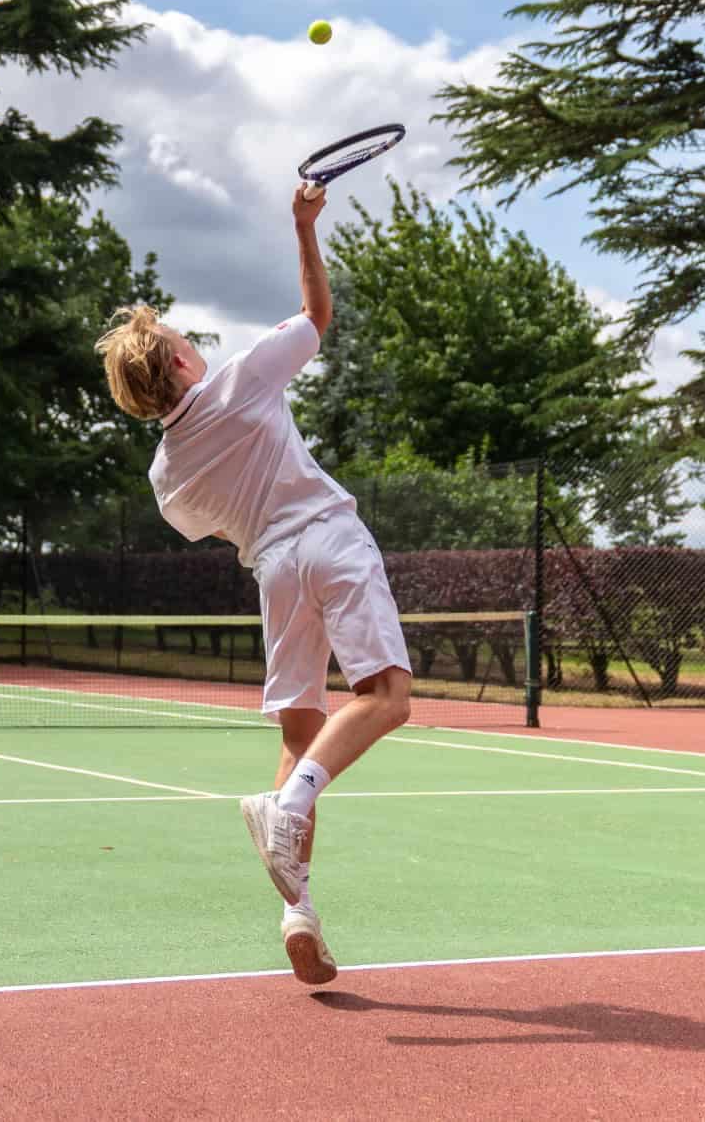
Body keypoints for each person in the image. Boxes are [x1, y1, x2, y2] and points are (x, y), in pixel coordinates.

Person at [93, 180, 414, 986]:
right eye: (179, 336)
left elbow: (206, 521)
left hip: (271, 571)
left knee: (299, 736)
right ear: (178, 361)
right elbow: (317, 315)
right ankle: (293, 804)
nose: (190, 337)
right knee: (387, 697)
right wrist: (304, 226)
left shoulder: (166, 476)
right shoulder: (241, 379)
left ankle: (297, 910)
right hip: (329, 539)